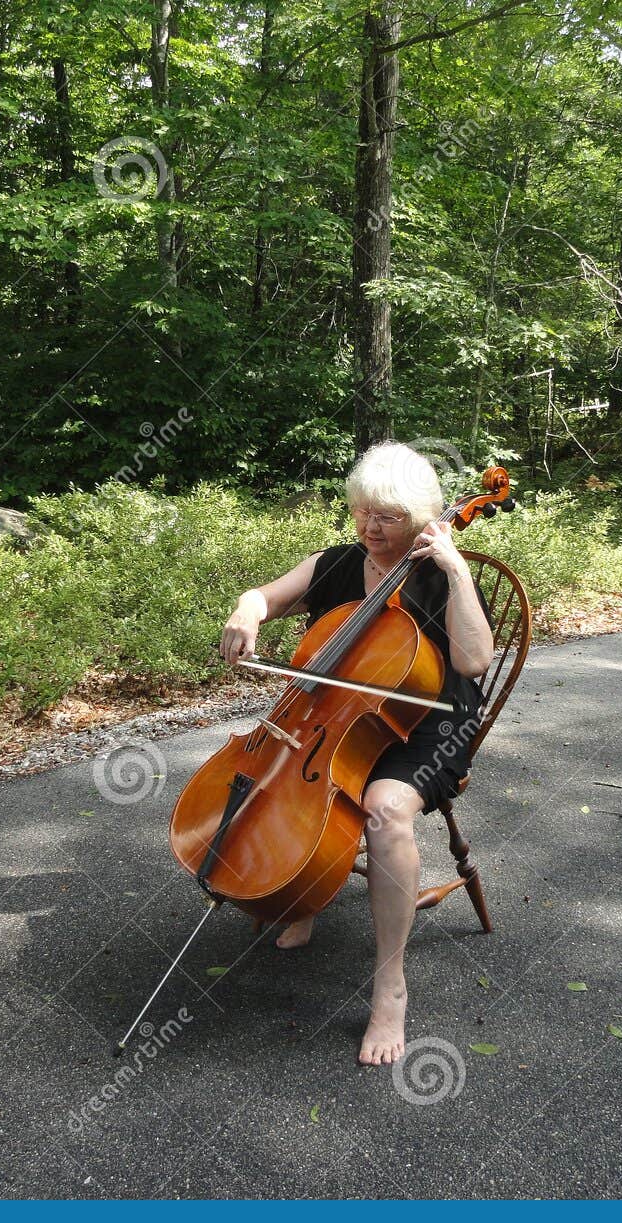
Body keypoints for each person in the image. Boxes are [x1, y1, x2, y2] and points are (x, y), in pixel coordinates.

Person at [218, 442, 495, 1065]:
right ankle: (305, 891)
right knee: (297, 784)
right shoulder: (337, 565)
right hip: (335, 719)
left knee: (385, 809)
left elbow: (474, 661)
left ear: (422, 519)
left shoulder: (437, 569)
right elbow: (267, 596)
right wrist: (246, 611)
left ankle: (390, 986)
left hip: (431, 722)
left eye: (389, 517)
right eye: (364, 512)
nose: (372, 527)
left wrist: (458, 571)